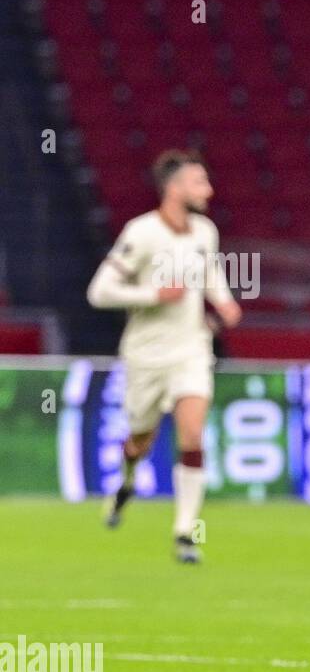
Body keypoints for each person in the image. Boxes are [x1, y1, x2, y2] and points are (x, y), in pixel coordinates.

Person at [88, 149, 242, 563]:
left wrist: (223, 301)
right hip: (146, 355)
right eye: (199, 183)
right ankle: (127, 482)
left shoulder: (204, 232)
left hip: (191, 349)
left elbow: (209, 272)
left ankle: (185, 533)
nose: (208, 190)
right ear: (174, 189)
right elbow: (99, 291)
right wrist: (154, 294)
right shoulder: (141, 233)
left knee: (192, 435)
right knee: (140, 438)